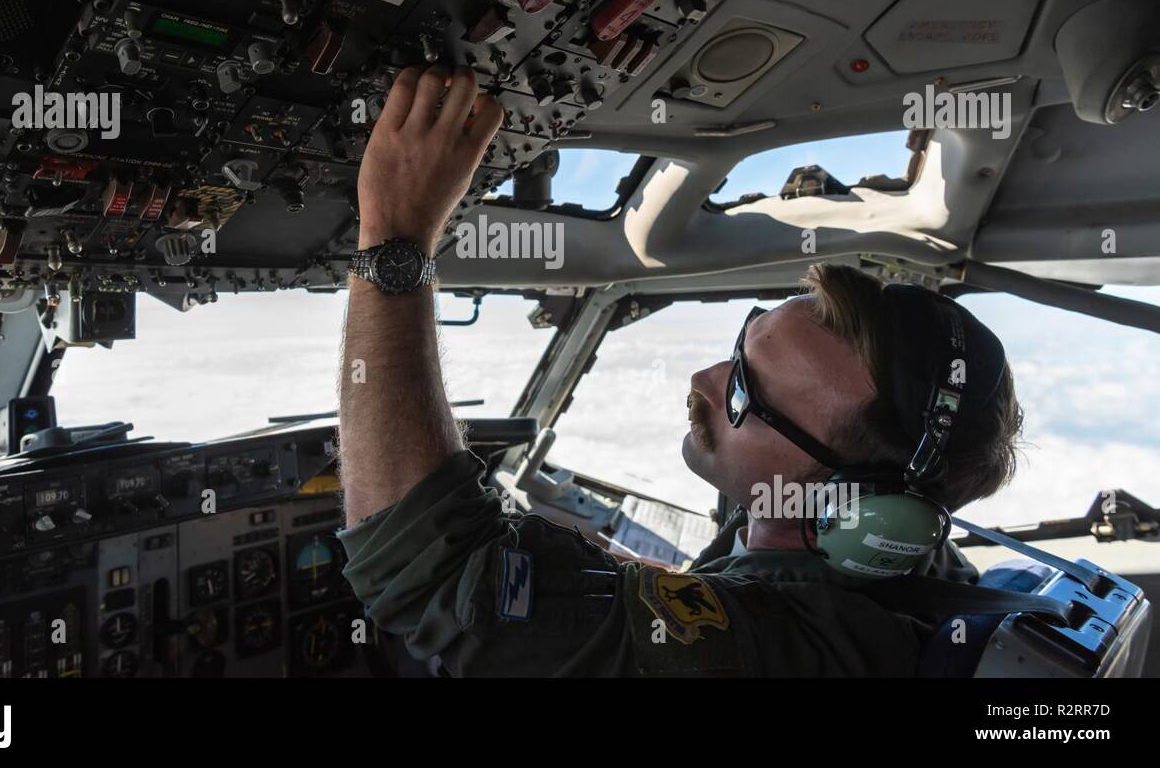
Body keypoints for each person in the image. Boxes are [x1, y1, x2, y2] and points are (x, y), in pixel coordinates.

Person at [335, 64, 1024, 676]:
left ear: (845, 507)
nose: (703, 379)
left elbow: (425, 571)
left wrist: (397, 232)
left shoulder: (811, 653)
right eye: (739, 348)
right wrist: (635, 574)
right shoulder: (887, 553)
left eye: (745, 391)